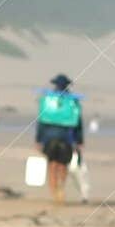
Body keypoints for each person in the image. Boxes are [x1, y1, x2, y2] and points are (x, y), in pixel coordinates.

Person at [35, 73, 83, 204]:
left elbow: (41, 122)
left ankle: (54, 191)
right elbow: (78, 123)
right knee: (63, 165)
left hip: (49, 138)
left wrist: (38, 140)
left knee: (52, 165)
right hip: (66, 139)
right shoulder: (73, 102)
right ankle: (61, 187)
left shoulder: (48, 100)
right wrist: (79, 141)